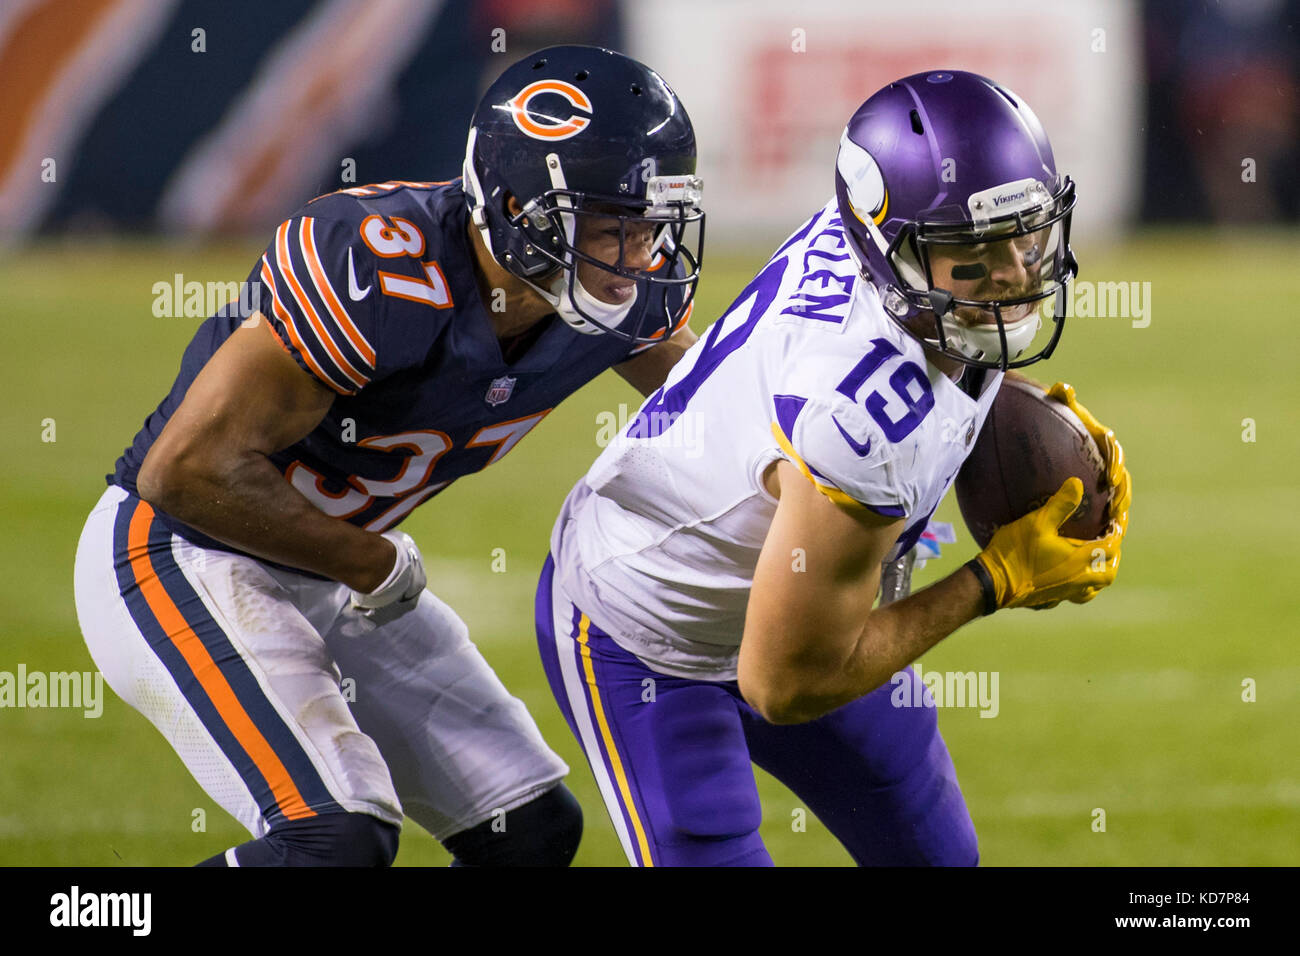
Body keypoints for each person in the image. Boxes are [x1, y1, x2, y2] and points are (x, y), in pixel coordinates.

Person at [72, 44, 705, 866]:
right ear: (514, 207)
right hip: (183, 551)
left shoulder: (623, 292)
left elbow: (716, 414)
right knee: (334, 841)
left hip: (332, 572)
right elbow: (185, 471)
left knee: (531, 832)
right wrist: (370, 561)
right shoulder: (381, 264)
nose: (636, 255)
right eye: (609, 225)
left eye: (650, 224)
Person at [535, 70, 1132, 866]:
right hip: (643, 629)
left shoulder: (887, 245)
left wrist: (1014, 411)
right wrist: (998, 578)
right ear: (892, 252)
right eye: (974, 253)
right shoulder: (864, 423)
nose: (1016, 278)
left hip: (797, 572)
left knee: (935, 853)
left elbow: (945, 336)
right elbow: (785, 686)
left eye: (1025, 238)